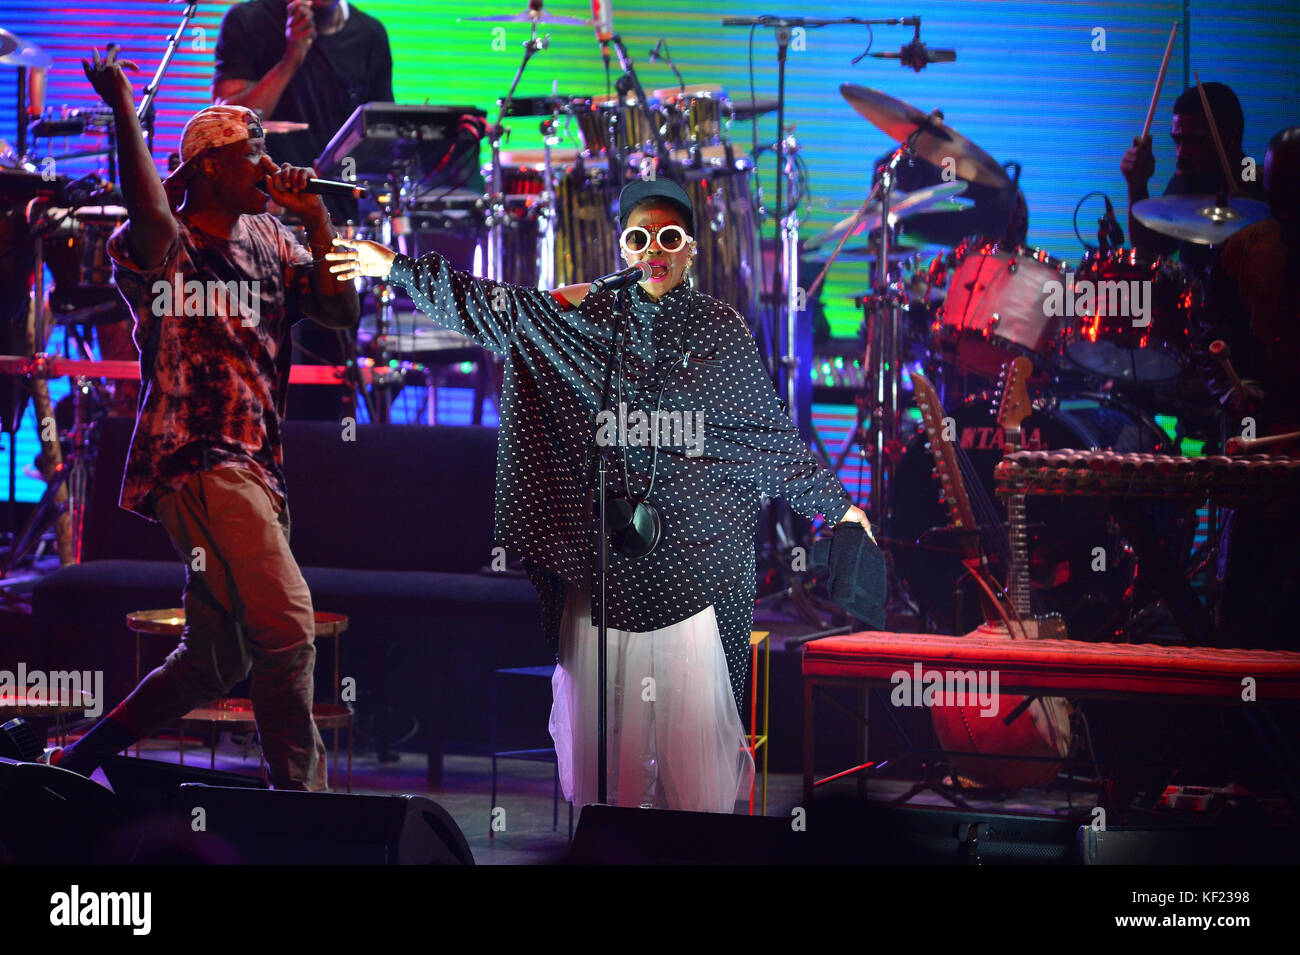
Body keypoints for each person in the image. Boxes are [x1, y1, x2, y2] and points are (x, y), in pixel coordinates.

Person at [329, 177, 873, 812]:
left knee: (690, 754)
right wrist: (392, 266)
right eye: (639, 238)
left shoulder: (719, 331)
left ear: (692, 247)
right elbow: (493, 308)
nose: (655, 251)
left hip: (687, 570)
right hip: (605, 565)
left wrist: (836, 505)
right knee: (606, 756)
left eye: (669, 237)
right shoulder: (586, 319)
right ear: (623, 246)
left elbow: (762, 436)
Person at [48, 46, 359, 790]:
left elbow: (341, 314)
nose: (268, 161)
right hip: (197, 456)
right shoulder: (166, 245)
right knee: (286, 623)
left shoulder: (269, 238)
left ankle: (72, 761)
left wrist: (316, 220)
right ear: (210, 168)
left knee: (216, 659)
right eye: (252, 150)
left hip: (256, 465)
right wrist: (124, 103)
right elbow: (150, 202)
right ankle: (304, 809)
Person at [213, 0, 393, 421]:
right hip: (259, 224)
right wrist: (293, 55)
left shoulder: (370, 34)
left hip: (336, 227)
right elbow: (229, 121)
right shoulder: (249, 20)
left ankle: (326, 461)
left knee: (330, 368)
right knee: (254, 366)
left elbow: (379, 133)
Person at [1205, 127, 1300, 650]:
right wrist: (1234, 393)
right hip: (1263, 456)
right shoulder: (1241, 253)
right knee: (1247, 613)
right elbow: (1213, 343)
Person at [1121, 82, 1263, 272]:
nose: (1180, 153)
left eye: (1193, 140)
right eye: (1177, 141)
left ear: (1230, 140)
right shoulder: (1189, 178)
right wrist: (1136, 185)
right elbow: (1151, 248)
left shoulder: (1262, 181)